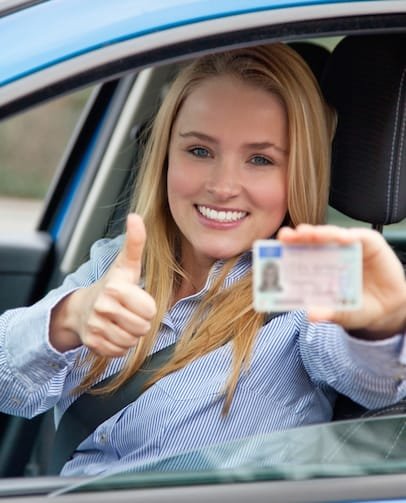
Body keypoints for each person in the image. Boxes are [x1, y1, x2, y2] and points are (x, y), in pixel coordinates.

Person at [0, 43, 405, 477]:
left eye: (260, 159)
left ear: (298, 174)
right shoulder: (119, 263)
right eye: (199, 151)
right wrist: (69, 319)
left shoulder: (303, 274)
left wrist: (380, 327)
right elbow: (10, 385)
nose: (223, 185)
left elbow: (375, 381)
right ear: (164, 156)